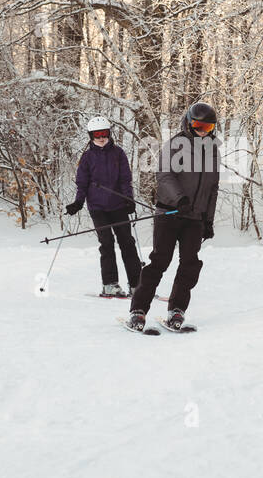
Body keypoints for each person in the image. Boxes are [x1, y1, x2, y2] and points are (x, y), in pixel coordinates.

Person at [127, 102, 220, 331]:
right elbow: (165, 175)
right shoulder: (175, 145)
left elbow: (212, 188)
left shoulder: (213, 150)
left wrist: (208, 220)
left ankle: (177, 309)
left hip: (195, 218)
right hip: (170, 212)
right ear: (188, 123)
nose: (202, 131)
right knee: (160, 261)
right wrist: (180, 199)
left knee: (190, 264)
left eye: (207, 128)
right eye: (198, 125)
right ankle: (138, 310)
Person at [66, 116, 143, 297]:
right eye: (97, 134)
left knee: (128, 243)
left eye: (104, 134)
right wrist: (78, 203)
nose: (101, 138)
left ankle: (137, 284)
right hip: (98, 208)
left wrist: (128, 200)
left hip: (118, 206)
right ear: (91, 136)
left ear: (109, 133)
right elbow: (82, 183)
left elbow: (125, 179)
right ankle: (110, 284)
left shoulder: (118, 153)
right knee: (107, 244)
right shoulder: (87, 158)